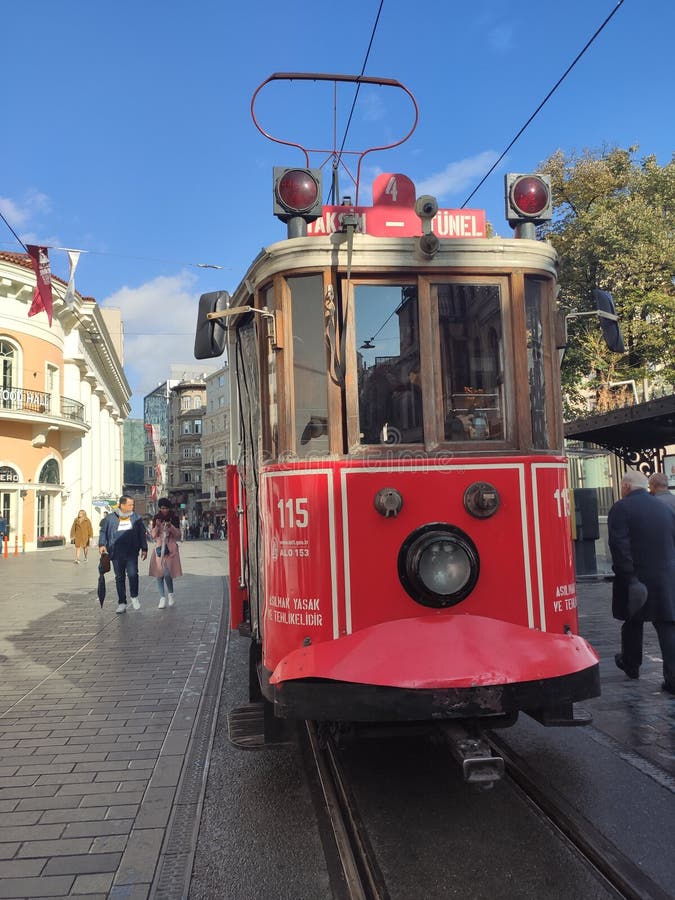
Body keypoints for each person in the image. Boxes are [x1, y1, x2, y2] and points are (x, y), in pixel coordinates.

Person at [608, 469, 675, 695]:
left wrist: (627, 574)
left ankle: (631, 664)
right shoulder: (662, 507)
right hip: (665, 577)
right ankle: (672, 678)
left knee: (633, 622)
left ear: (626, 486)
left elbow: (619, 545)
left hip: (636, 578)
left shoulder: (621, 508)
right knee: (667, 625)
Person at [98, 495, 148, 614]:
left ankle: (134, 596)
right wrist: (102, 544)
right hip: (116, 553)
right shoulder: (110, 518)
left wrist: (144, 548)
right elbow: (103, 532)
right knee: (119, 577)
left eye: (133, 504)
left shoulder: (136, 518)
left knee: (132, 574)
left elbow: (142, 533)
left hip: (131, 552)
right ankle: (122, 603)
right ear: (122, 505)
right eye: (130, 504)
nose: (132, 506)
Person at [149, 498, 182, 609]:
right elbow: (153, 536)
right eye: (162, 508)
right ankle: (162, 598)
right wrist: (157, 526)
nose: (164, 510)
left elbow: (178, 535)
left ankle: (171, 594)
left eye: (166, 508)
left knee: (168, 573)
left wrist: (170, 527)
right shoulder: (156, 518)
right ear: (159, 508)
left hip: (170, 549)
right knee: (159, 574)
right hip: (159, 549)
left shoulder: (174, 517)